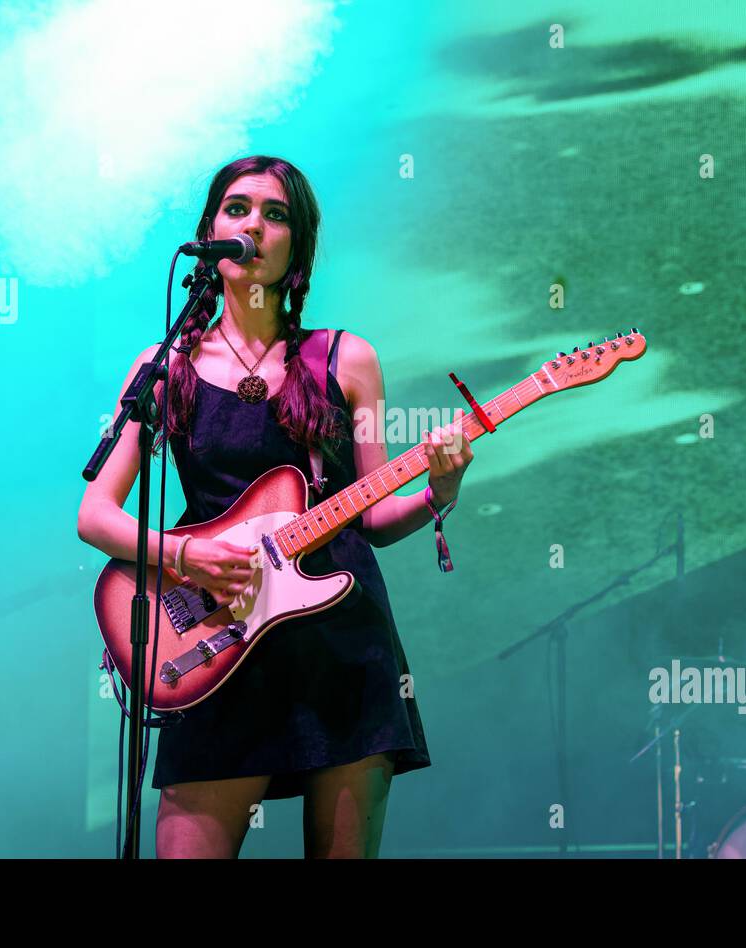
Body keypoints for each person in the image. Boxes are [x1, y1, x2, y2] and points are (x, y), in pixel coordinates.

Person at [77, 155, 473, 858]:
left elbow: (372, 517)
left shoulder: (343, 359)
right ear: (210, 232)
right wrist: (185, 551)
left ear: (298, 246)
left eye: (275, 213)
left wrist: (438, 494)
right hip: (213, 642)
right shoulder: (163, 366)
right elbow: (97, 515)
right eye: (237, 208)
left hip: (340, 650)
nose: (254, 224)